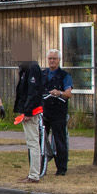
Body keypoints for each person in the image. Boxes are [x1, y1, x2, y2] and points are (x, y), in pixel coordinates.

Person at [10, 56, 47, 182]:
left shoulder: (31, 68)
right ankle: (33, 173)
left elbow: (33, 91)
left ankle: (34, 174)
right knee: (31, 142)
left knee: (33, 142)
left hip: (31, 111)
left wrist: (28, 111)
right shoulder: (26, 68)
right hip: (29, 110)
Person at [40, 48, 74, 176]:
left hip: (58, 112)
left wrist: (59, 93)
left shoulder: (65, 76)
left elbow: (68, 93)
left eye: (54, 58)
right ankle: (41, 165)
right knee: (41, 139)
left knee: (60, 140)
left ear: (59, 60)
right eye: (50, 58)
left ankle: (61, 168)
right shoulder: (42, 74)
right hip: (44, 111)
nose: (52, 61)